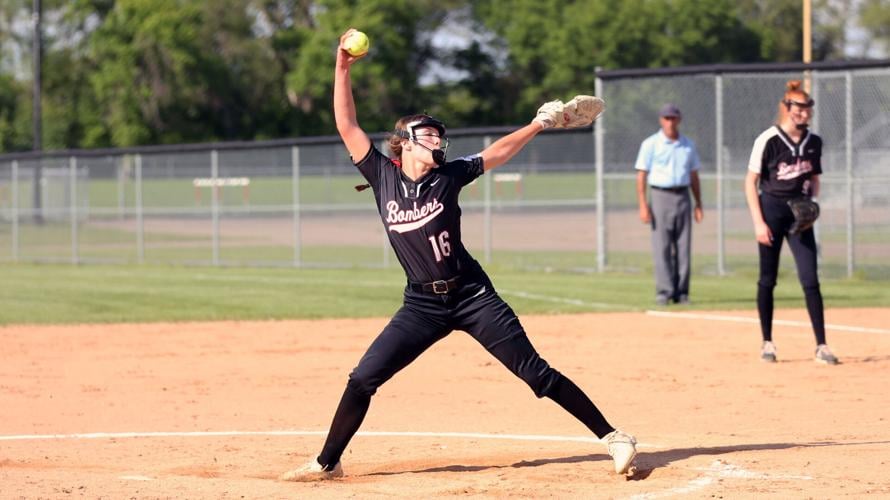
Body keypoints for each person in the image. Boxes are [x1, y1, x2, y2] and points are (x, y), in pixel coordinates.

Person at [279, 28, 638, 482]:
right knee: (362, 379)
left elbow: (496, 153)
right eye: (429, 134)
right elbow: (347, 124)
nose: (438, 141)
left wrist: (539, 123)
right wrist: (341, 67)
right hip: (421, 305)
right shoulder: (381, 174)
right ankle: (327, 462)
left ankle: (614, 436)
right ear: (406, 141)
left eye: (439, 135)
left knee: (536, 375)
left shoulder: (448, 175)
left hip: (472, 296)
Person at [744, 80, 839, 365]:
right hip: (771, 212)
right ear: (786, 108)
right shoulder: (768, 139)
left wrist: (812, 205)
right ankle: (767, 343)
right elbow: (750, 182)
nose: (804, 113)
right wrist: (759, 223)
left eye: (808, 108)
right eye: (798, 107)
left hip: (799, 217)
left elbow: (814, 179)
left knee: (810, 279)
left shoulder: (814, 142)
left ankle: (821, 346)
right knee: (768, 279)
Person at [634, 104, 703, 306]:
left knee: (683, 247)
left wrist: (698, 203)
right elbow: (641, 175)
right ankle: (664, 291)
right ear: (661, 120)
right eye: (666, 118)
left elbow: (694, 175)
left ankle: (682, 292)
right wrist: (643, 204)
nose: (670, 122)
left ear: (679, 120)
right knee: (662, 246)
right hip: (660, 195)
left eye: (673, 118)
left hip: (682, 195)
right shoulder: (651, 144)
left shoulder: (688, 145)